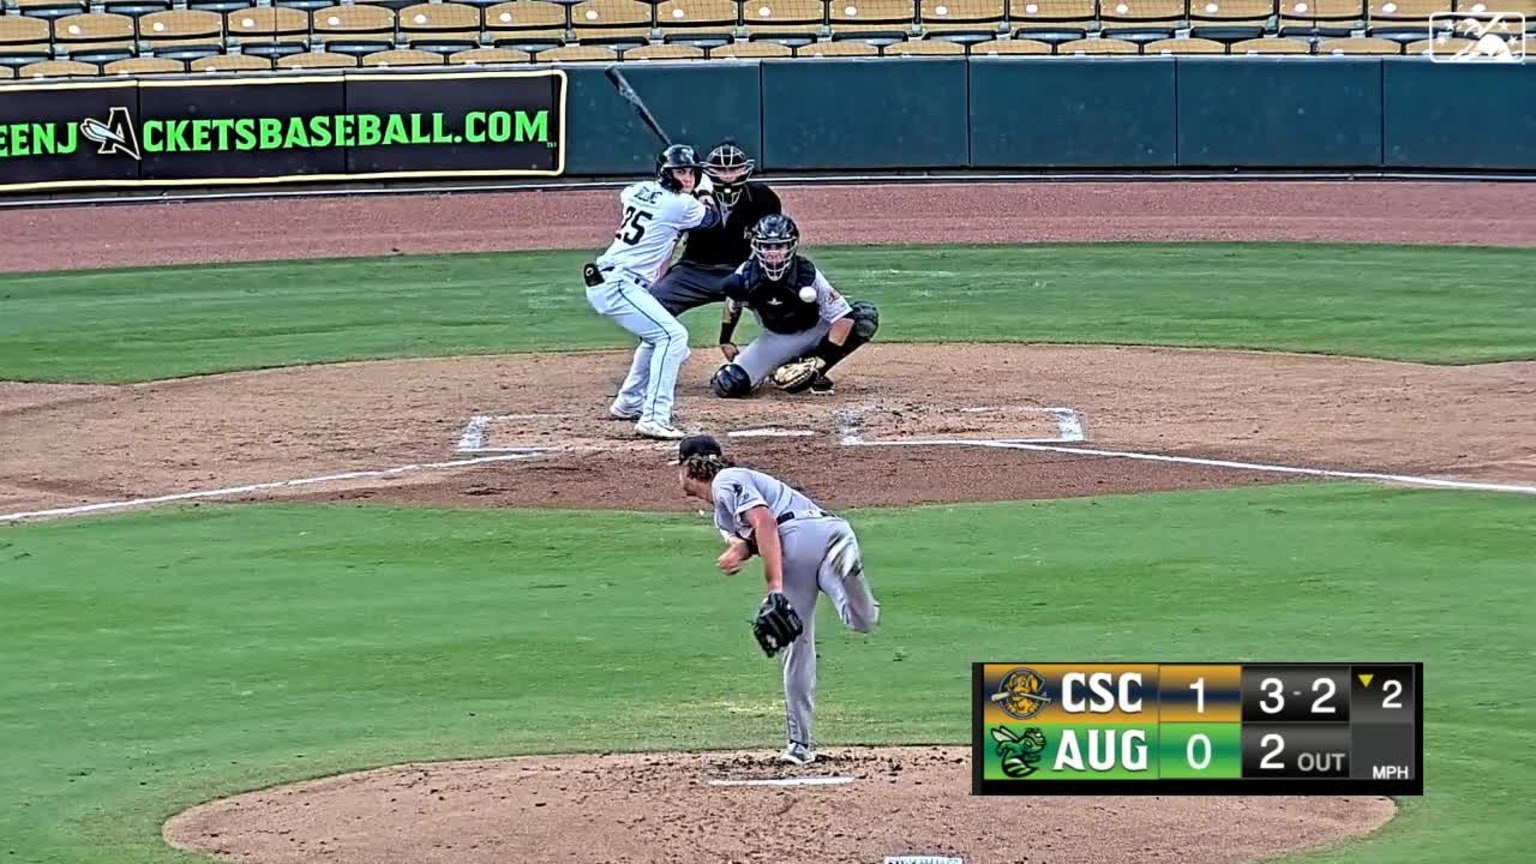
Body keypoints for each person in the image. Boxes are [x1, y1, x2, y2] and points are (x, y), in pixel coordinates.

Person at [674, 433, 881, 765]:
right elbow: (755, 535)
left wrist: (774, 587)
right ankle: (849, 570)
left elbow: (766, 523)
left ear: (688, 468)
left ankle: (800, 746)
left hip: (796, 540)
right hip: (830, 533)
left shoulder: (727, 480)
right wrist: (739, 550)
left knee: (796, 649)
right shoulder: (723, 509)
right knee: (862, 620)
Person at [586, 144, 723, 440]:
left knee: (654, 338)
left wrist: (687, 184)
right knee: (673, 337)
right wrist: (705, 190)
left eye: (691, 172)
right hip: (619, 285)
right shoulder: (680, 205)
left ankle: (628, 402)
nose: (687, 177)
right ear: (666, 173)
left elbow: (633, 195)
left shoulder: (636, 190)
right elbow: (715, 220)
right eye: (681, 172)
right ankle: (654, 417)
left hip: (614, 281)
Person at [709, 213, 880, 399]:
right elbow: (732, 305)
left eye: (780, 246)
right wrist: (725, 339)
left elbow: (844, 319)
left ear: (791, 246)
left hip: (816, 329)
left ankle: (814, 374)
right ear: (757, 246)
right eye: (767, 246)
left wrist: (820, 361)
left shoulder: (806, 273)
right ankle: (780, 367)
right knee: (729, 384)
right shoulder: (746, 274)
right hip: (777, 338)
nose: (773, 252)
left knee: (864, 317)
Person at [648, 139, 783, 318]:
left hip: (743, 270)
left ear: (745, 169)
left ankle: (788, 345)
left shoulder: (763, 197)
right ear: (708, 171)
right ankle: (659, 346)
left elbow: (773, 242)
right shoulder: (688, 198)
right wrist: (657, 275)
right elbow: (670, 240)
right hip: (694, 272)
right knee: (653, 302)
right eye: (721, 169)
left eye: (733, 169)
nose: (727, 175)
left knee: (783, 302)